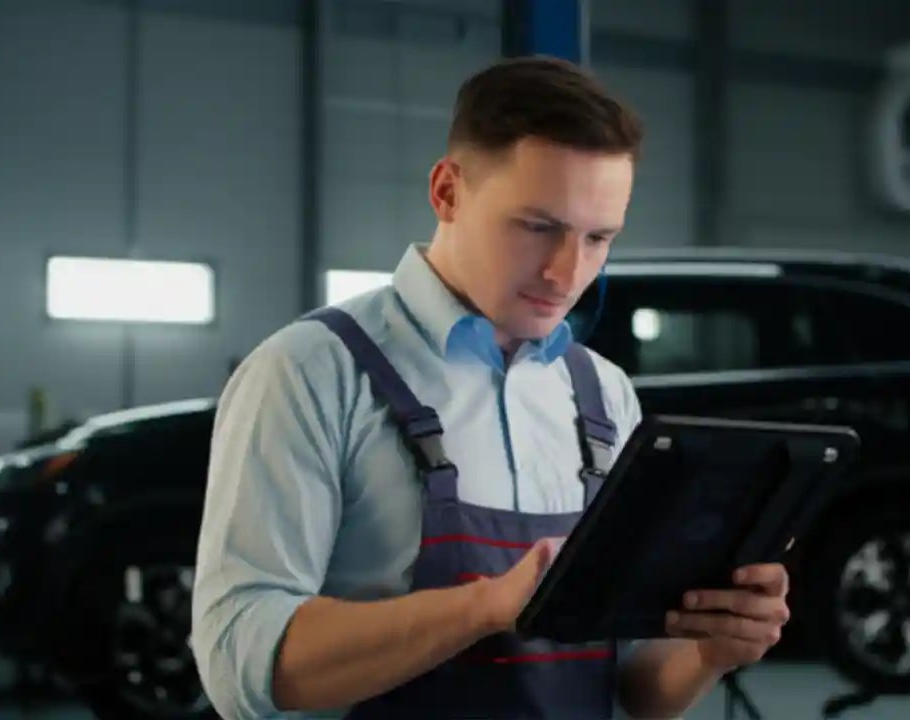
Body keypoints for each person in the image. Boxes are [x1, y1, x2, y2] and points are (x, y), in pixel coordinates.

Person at [190, 55, 791, 720]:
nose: (568, 272)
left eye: (599, 238)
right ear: (447, 191)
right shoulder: (311, 373)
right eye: (538, 227)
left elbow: (631, 688)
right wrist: (485, 606)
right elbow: (239, 661)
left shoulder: (603, 396)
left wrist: (711, 650)